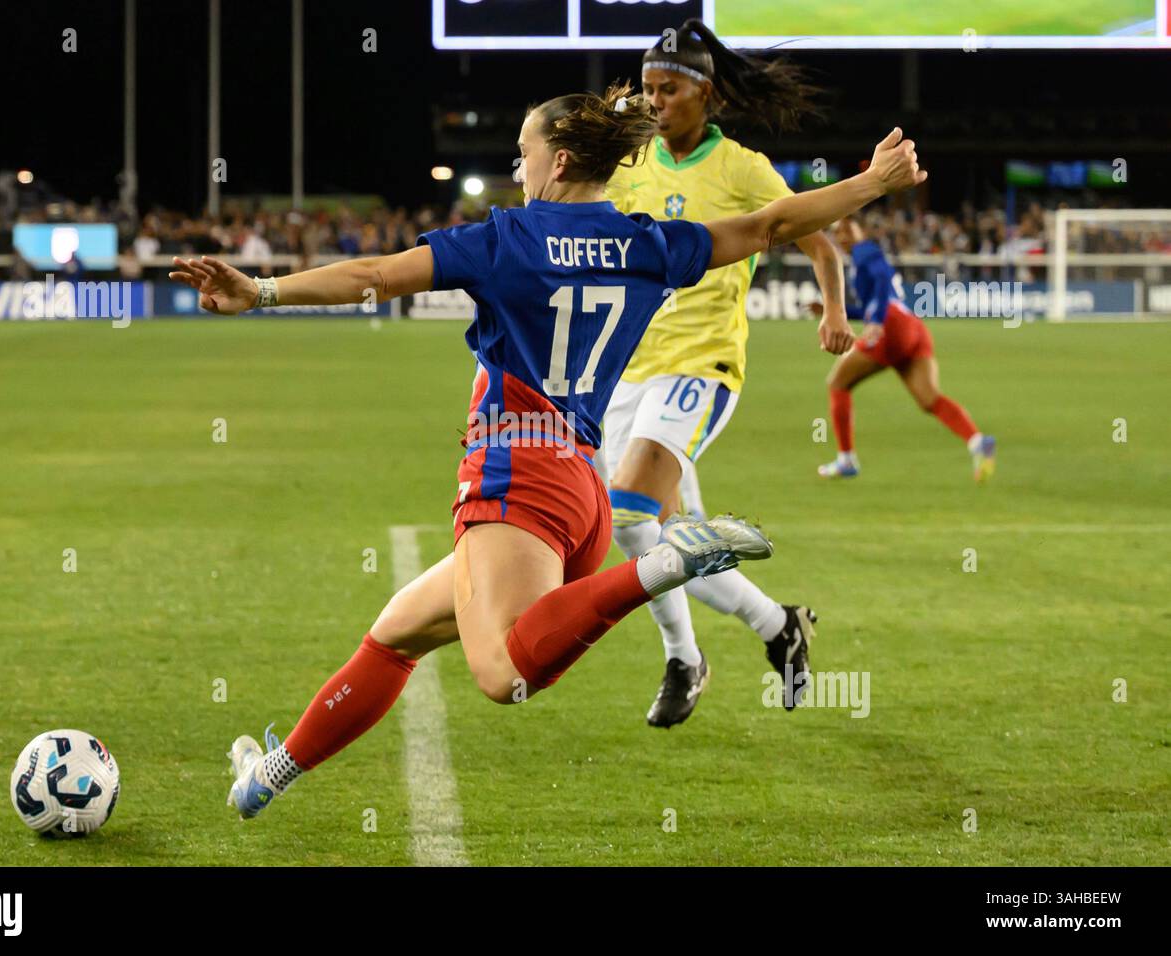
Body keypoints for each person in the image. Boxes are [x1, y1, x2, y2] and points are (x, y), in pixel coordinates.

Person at [168, 84, 925, 820]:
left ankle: (662, 563)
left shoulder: (505, 239)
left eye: (523, 152)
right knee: (397, 632)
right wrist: (871, 181)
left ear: (559, 160)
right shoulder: (646, 243)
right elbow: (769, 226)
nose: (516, 166)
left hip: (517, 476)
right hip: (579, 491)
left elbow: (374, 275)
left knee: (502, 676)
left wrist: (259, 291)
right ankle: (265, 777)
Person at [602, 19, 854, 726]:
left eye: (669, 89)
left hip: (702, 365)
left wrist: (832, 312)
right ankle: (777, 626)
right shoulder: (631, 166)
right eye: (648, 88)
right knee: (667, 539)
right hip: (629, 371)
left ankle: (685, 658)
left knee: (628, 515)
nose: (655, 101)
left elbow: (820, 243)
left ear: (705, 93)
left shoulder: (744, 169)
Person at [817, 216, 996, 481]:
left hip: (891, 326)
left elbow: (879, 283)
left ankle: (846, 460)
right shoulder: (861, 258)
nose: (842, 234)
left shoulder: (865, 251)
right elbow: (876, 301)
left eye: (847, 228)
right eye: (837, 231)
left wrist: (877, 322)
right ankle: (977, 441)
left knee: (838, 383)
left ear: (860, 230)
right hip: (911, 326)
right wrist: (833, 311)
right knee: (929, 399)